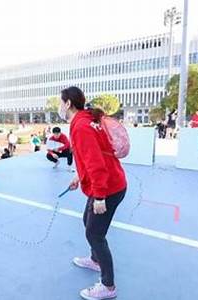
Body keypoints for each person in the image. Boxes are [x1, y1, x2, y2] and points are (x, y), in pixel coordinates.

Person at [59, 86, 127, 300]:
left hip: (108, 188)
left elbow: (97, 163)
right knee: (87, 220)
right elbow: (94, 154)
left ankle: (108, 286)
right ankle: (95, 260)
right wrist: (79, 176)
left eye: (61, 102)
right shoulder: (87, 120)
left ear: (68, 103)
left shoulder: (80, 126)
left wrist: (99, 196)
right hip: (110, 182)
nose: (60, 107)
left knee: (95, 234)